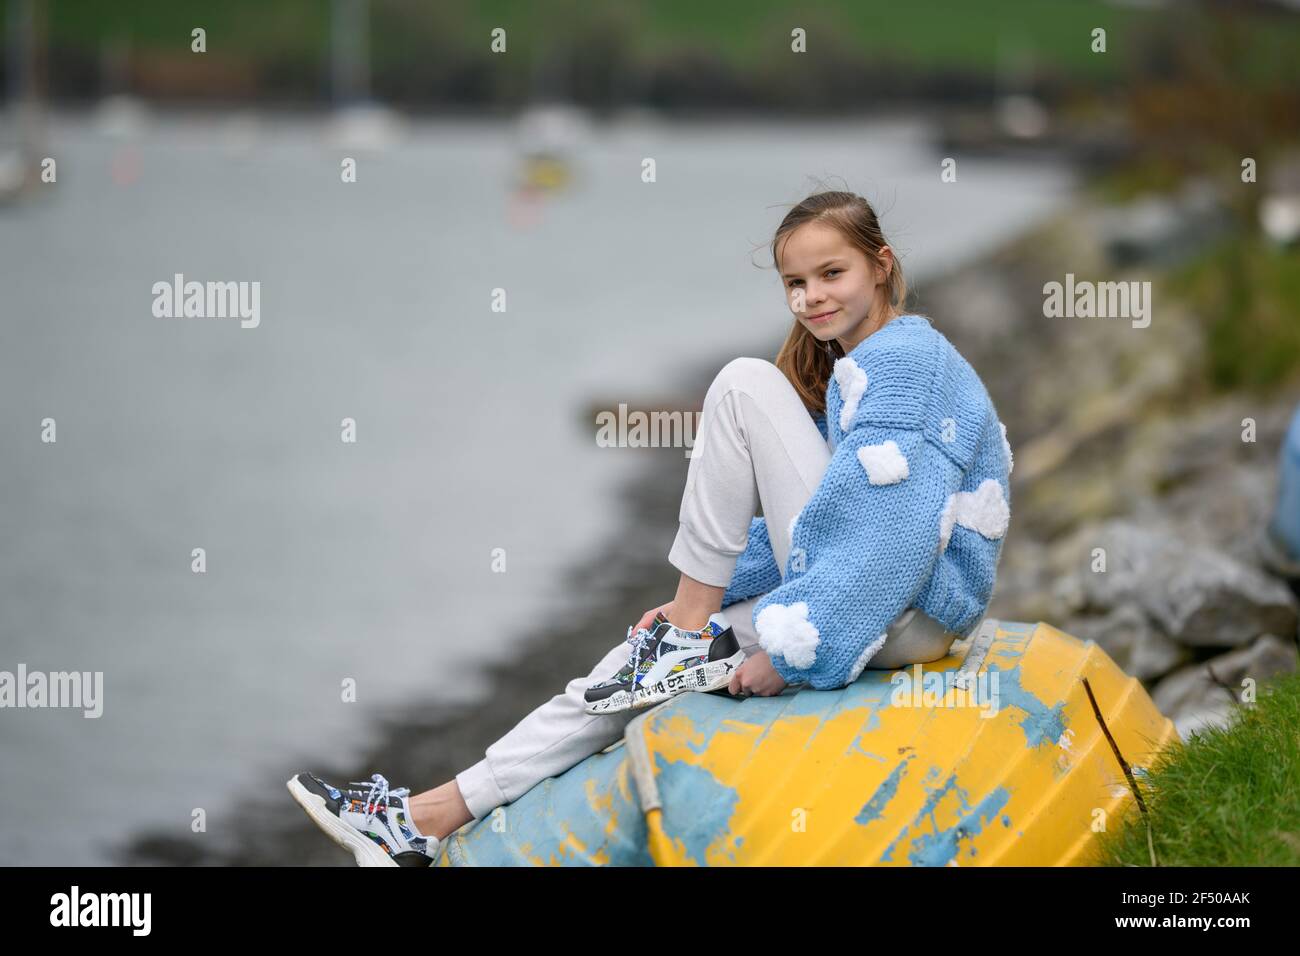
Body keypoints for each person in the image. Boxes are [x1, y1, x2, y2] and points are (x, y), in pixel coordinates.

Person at [286, 189, 1014, 866]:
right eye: (796, 283)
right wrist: (707, 596)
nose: (811, 296)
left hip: (907, 609)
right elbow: (830, 521)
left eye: (831, 273)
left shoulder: (908, 364)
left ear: (881, 266)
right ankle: (426, 819)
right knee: (620, 675)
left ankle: (688, 627)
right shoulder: (860, 366)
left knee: (740, 384)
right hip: (883, 607)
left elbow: (891, 538)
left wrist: (792, 654)